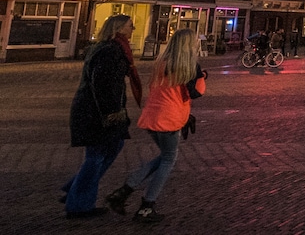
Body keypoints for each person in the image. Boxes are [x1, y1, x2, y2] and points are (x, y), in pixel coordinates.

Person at [106, 28, 206, 223]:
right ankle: (146, 205)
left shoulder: (162, 62)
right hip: (170, 119)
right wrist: (201, 77)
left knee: (164, 157)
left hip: (152, 116)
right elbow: (196, 93)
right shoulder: (190, 65)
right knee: (168, 160)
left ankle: (124, 191)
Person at [63, 14, 143, 219]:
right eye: (129, 25)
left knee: (112, 148)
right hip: (96, 113)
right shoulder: (110, 51)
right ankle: (78, 205)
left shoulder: (111, 49)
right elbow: (102, 86)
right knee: (96, 156)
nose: (132, 29)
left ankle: (75, 188)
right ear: (118, 28)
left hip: (96, 110)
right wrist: (111, 115)